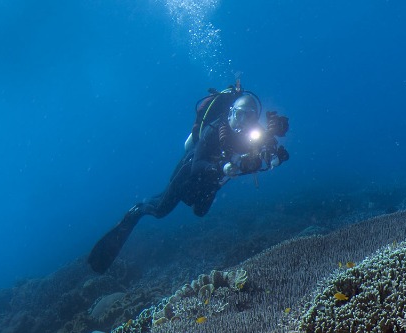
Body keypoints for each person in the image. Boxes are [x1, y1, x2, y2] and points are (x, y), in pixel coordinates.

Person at [88, 81, 289, 273]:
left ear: (256, 118)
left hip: (211, 183)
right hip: (188, 175)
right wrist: (222, 167)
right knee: (160, 210)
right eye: (239, 114)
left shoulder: (252, 136)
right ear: (230, 113)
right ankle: (136, 210)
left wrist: (275, 158)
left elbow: (264, 154)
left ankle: (159, 202)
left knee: (199, 212)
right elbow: (197, 165)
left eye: (250, 116)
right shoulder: (214, 131)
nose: (242, 122)